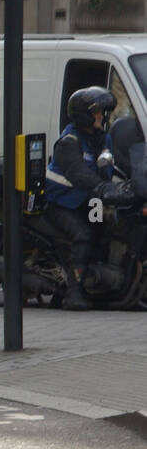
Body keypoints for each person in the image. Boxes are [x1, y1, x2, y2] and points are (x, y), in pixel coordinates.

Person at [43, 87, 136, 310]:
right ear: (83, 114)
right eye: (96, 112)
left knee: (104, 228)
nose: (101, 116)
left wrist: (131, 182)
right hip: (59, 202)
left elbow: (114, 164)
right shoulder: (69, 141)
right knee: (83, 235)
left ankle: (107, 286)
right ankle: (74, 293)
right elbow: (79, 173)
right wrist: (102, 186)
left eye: (102, 112)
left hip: (84, 201)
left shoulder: (102, 138)